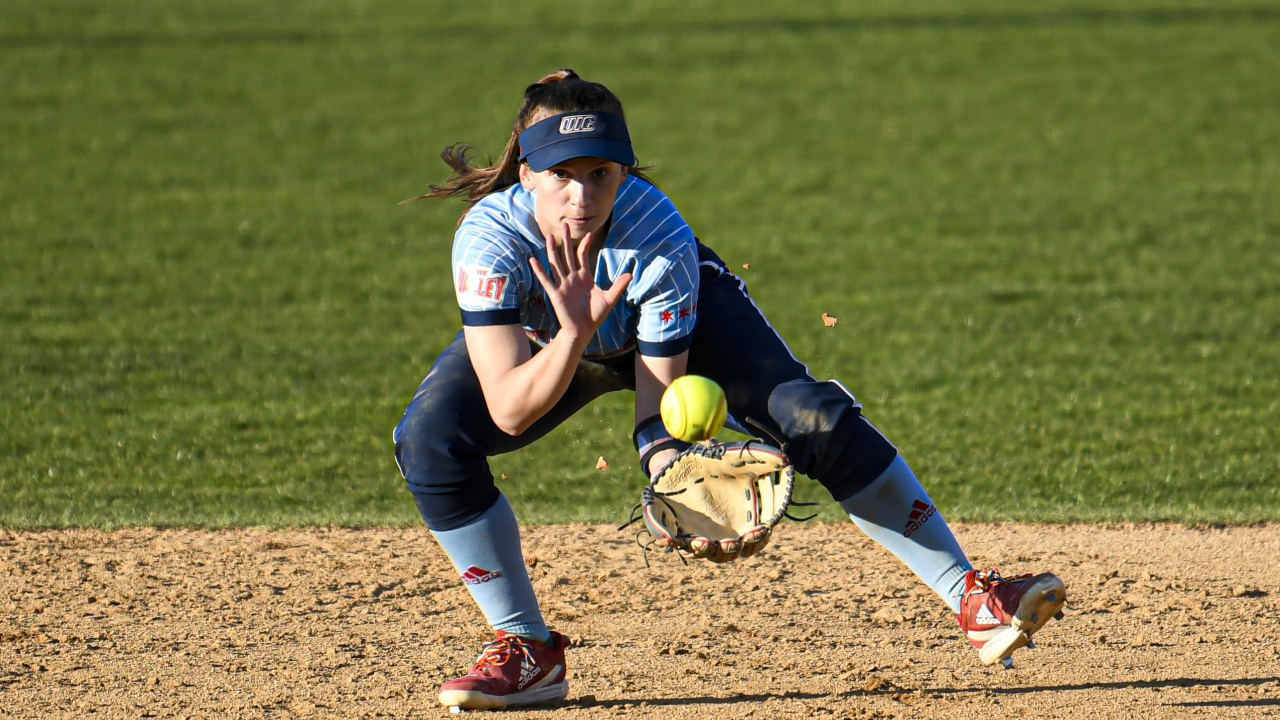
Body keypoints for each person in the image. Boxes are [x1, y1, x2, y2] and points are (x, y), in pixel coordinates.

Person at [393, 69, 1068, 711]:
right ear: (526, 174)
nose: (582, 195)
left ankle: (974, 599)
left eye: (600, 173)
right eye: (562, 175)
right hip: (550, 344)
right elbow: (510, 410)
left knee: (815, 419)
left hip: (676, 324)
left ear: (623, 172)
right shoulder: (489, 240)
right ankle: (528, 648)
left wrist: (671, 472)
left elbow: (657, 413)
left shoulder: (655, 235)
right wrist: (571, 334)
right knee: (427, 441)